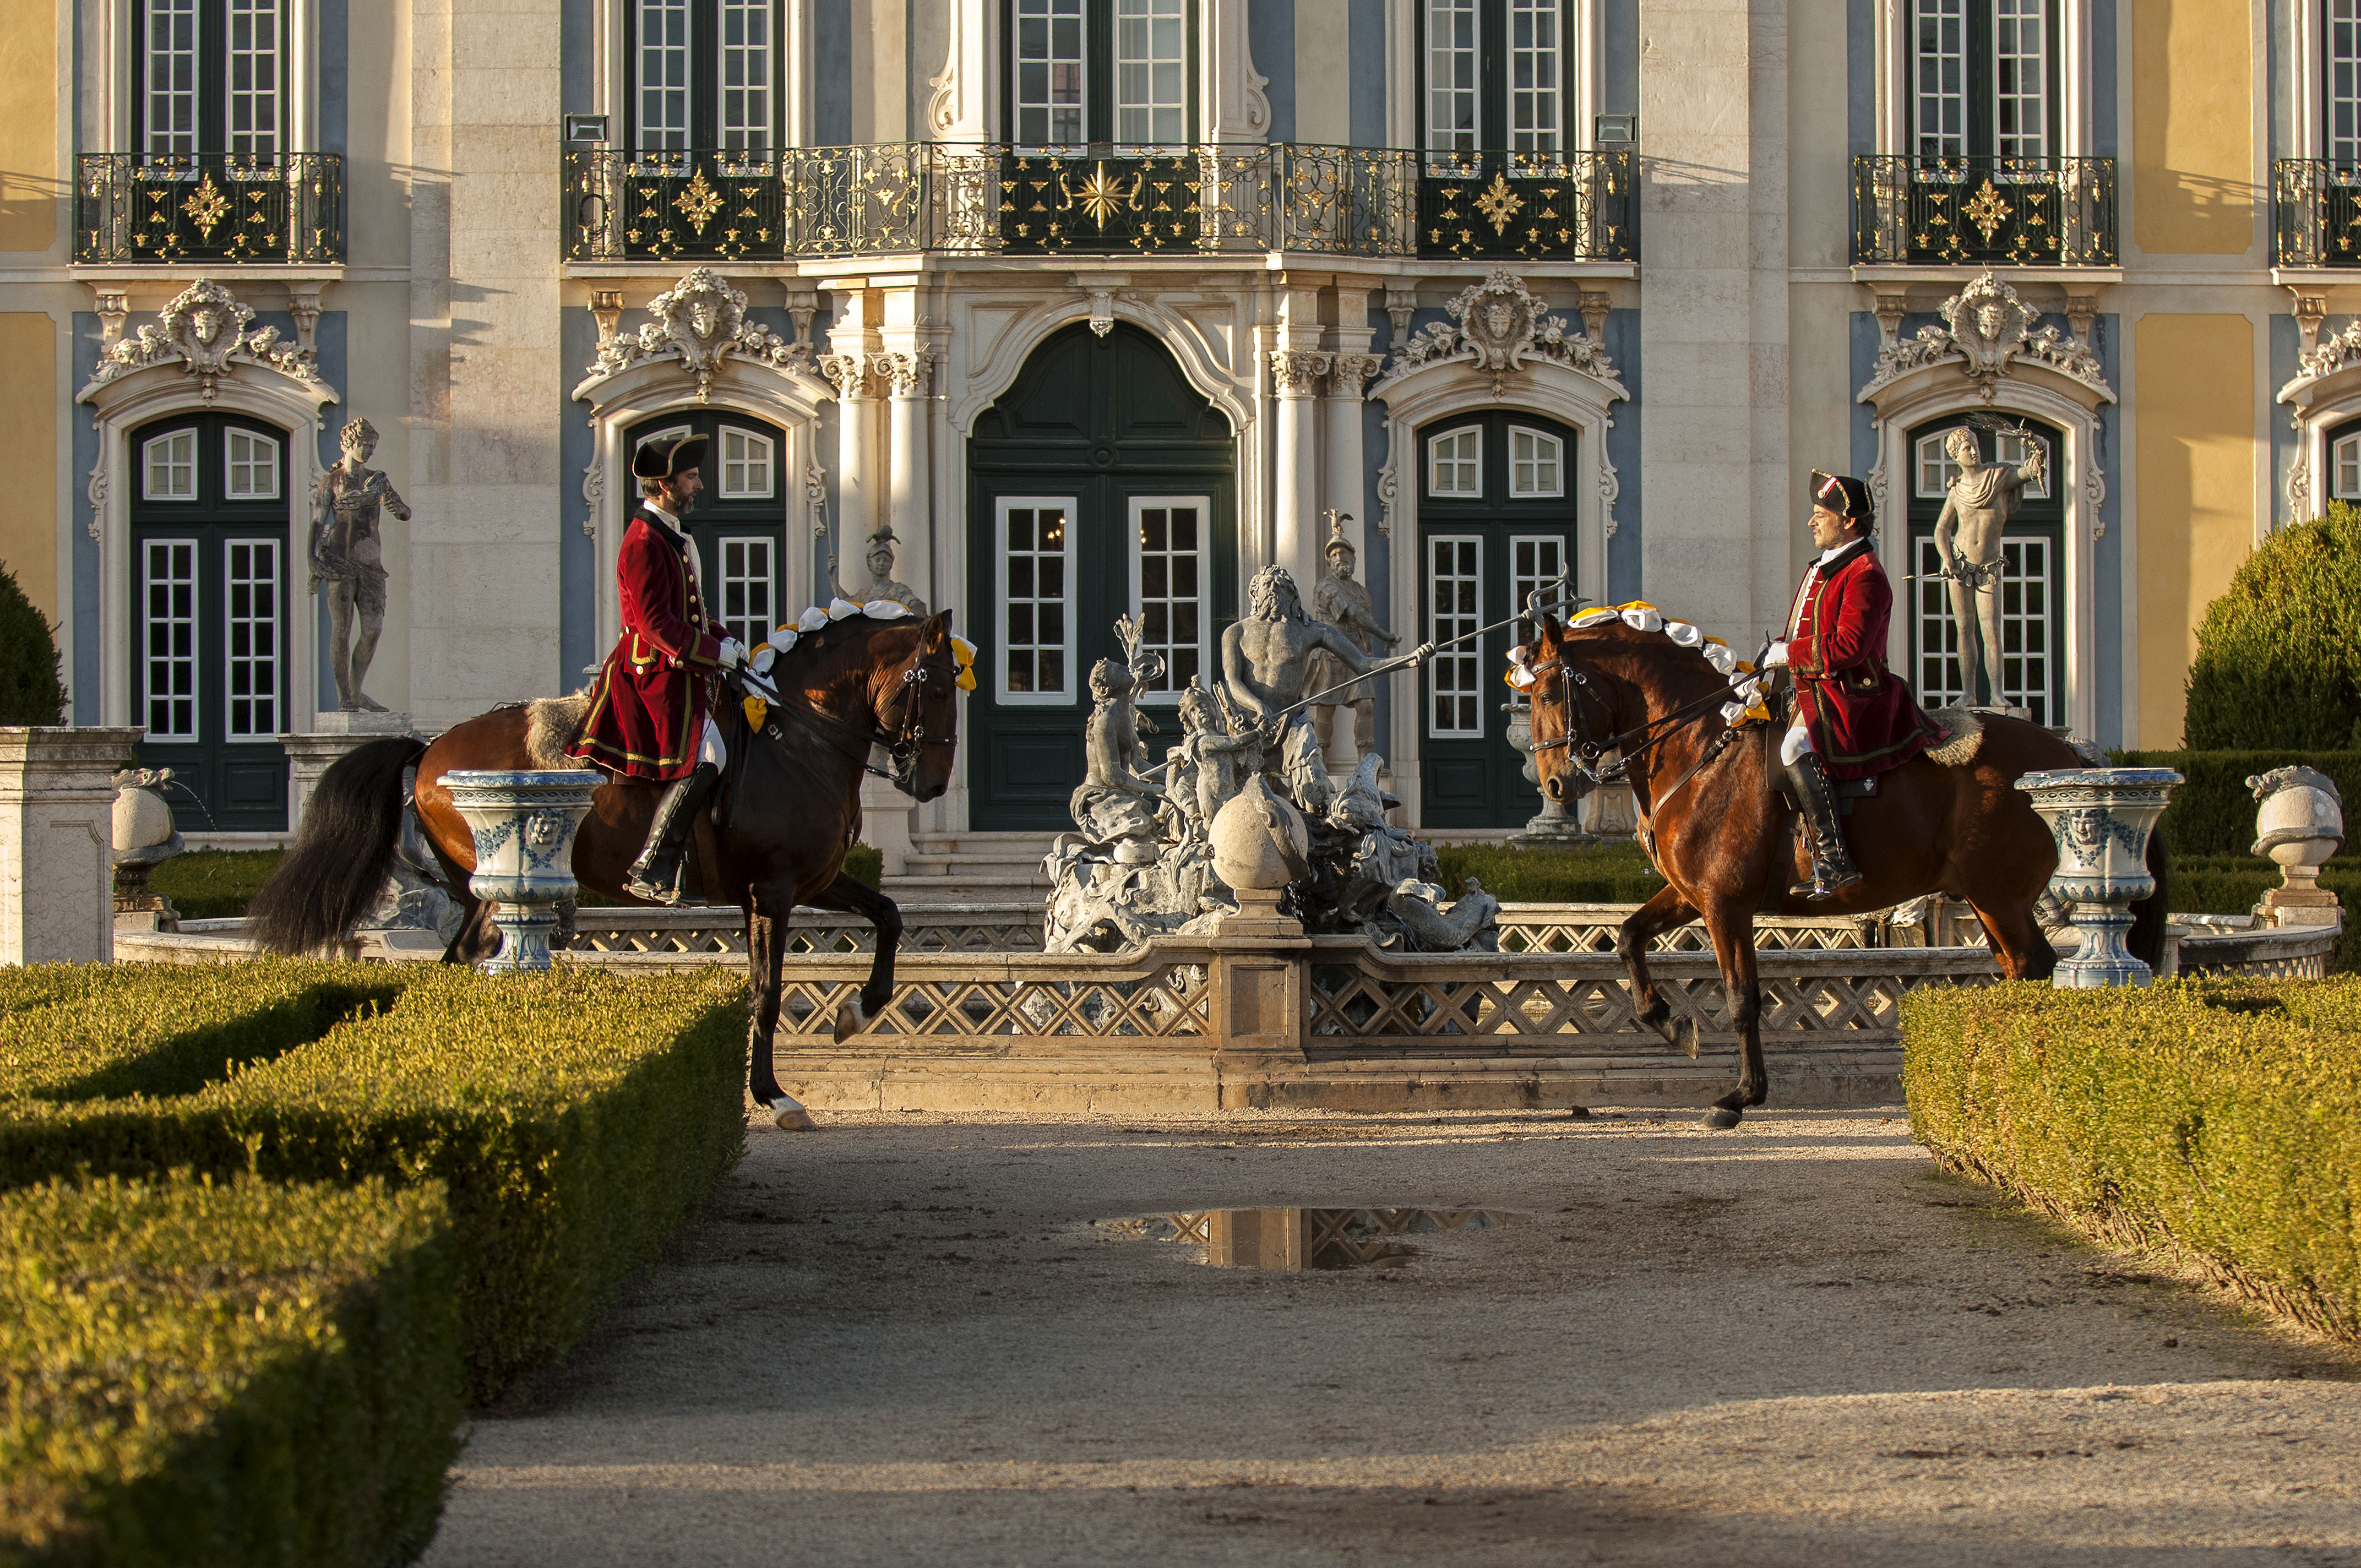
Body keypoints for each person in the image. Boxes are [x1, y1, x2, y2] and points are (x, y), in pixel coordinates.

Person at [570, 433, 763, 903]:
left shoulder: (671, 535)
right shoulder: (643, 542)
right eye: (691, 477)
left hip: (680, 672)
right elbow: (656, 625)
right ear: (663, 484)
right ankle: (651, 865)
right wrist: (714, 654)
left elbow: (691, 615)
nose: (700, 484)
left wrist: (727, 641)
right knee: (709, 757)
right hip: (652, 676)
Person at [1762, 471, 1938, 900]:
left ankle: (1834, 860)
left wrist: (1791, 654)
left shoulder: (1865, 574)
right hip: (1812, 687)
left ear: (1850, 522)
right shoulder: (1828, 567)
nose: (1812, 522)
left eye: (1821, 515)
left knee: (1793, 749)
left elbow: (1850, 647)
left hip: (1852, 695)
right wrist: (1781, 653)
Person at [1931, 426, 2044, 714]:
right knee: (1964, 628)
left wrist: (2035, 458)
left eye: (1974, 445)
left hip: (1989, 566)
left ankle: (1996, 693)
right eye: (1967, 448)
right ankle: (1968, 692)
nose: (1974, 450)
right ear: (1956, 456)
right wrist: (1946, 558)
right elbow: (1942, 529)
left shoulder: (1998, 477)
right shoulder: (1957, 491)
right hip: (1960, 565)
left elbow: (2025, 474)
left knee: (1991, 629)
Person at [310, 417, 408, 713]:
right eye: (364, 445)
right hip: (340, 563)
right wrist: (313, 560)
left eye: (372, 447)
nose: (368, 452)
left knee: (372, 630)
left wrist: (397, 508)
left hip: (371, 564)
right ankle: (346, 697)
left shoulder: (378, 480)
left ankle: (357, 690)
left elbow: (404, 513)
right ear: (348, 445)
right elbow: (318, 521)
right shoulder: (332, 482)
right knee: (341, 630)